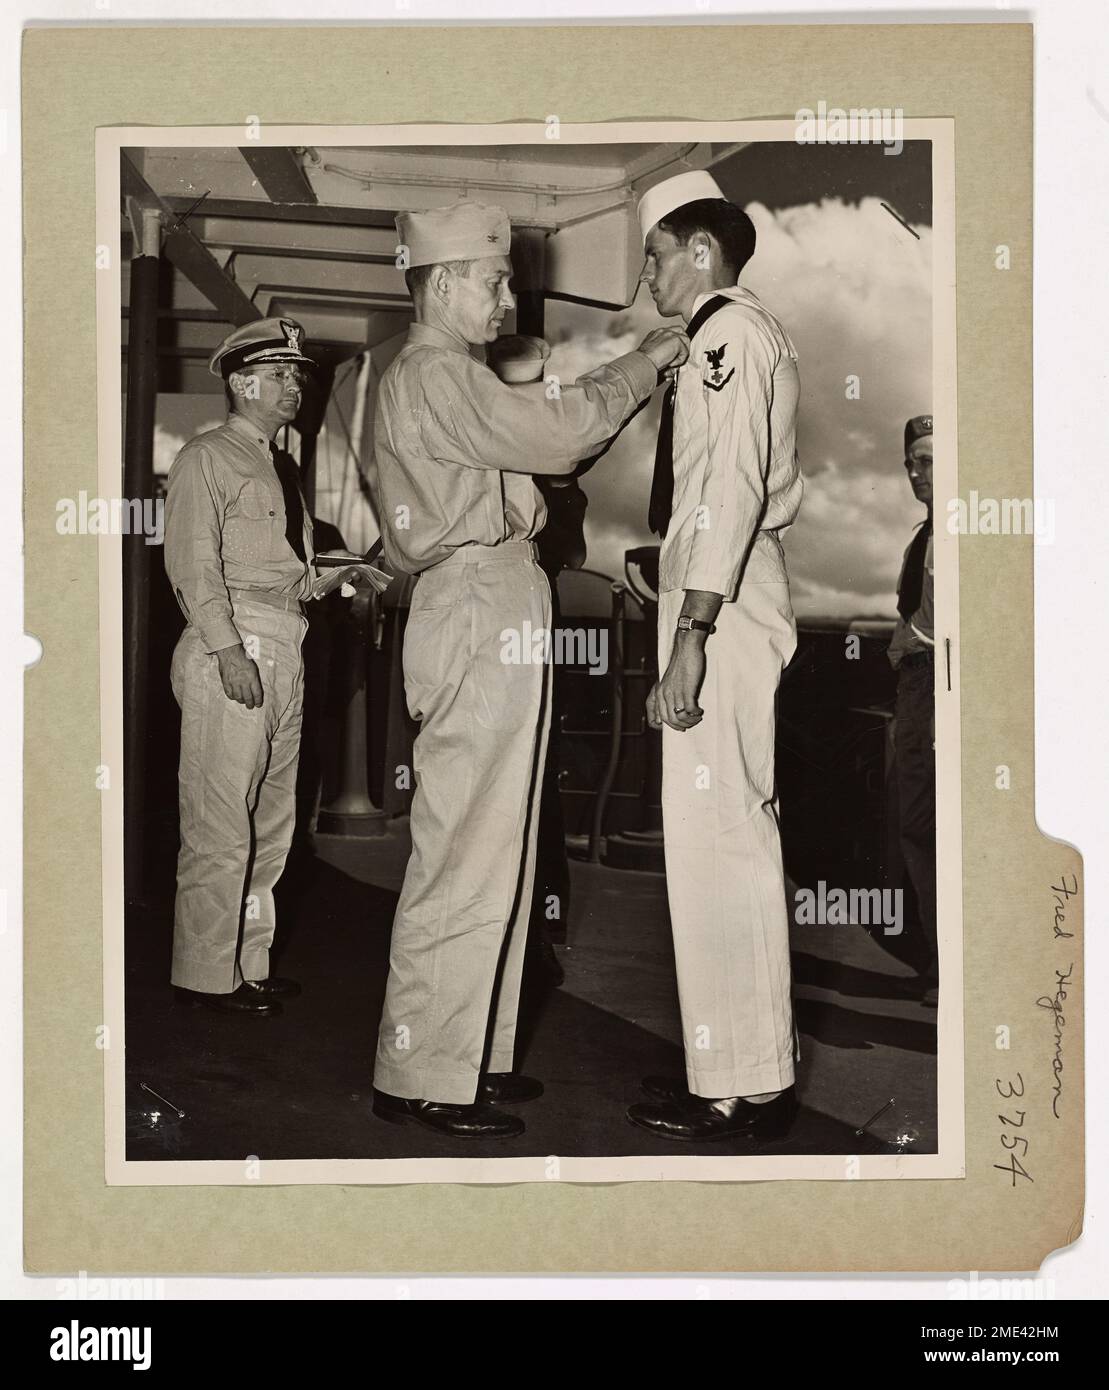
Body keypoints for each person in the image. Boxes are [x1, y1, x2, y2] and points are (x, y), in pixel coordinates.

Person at [370, 201, 688, 1140]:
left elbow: (538, 421)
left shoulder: (449, 373)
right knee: (465, 844)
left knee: (498, 842)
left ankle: (470, 1056)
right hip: (474, 599)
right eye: (493, 279)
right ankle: (418, 1069)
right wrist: (646, 361)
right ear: (441, 281)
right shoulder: (431, 369)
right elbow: (556, 439)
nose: (506, 297)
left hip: (495, 597)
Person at [624, 170, 803, 1143]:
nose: (644, 274)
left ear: (699, 252)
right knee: (712, 838)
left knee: (722, 837)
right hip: (711, 592)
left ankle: (745, 1086)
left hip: (721, 608)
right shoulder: (711, 341)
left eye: (653, 255)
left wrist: (688, 636)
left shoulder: (728, 332)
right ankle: (728, 1072)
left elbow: (728, 489)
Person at [164, 317, 317, 1016]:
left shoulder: (278, 463)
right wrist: (228, 651)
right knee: (220, 822)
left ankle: (248, 961)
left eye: (296, 375)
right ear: (239, 382)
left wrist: (332, 578)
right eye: (279, 375)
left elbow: (281, 566)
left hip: (287, 639)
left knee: (271, 820)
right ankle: (203, 976)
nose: (294, 386)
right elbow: (192, 564)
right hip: (238, 644)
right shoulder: (209, 457)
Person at [888, 415, 937, 1005]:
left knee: (943, 826)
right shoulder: (920, 539)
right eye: (910, 463)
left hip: (948, 685)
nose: (915, 472)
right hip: (916, 687)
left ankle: (956, 967)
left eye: (927, 460)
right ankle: (938, 957)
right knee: (917, 825)